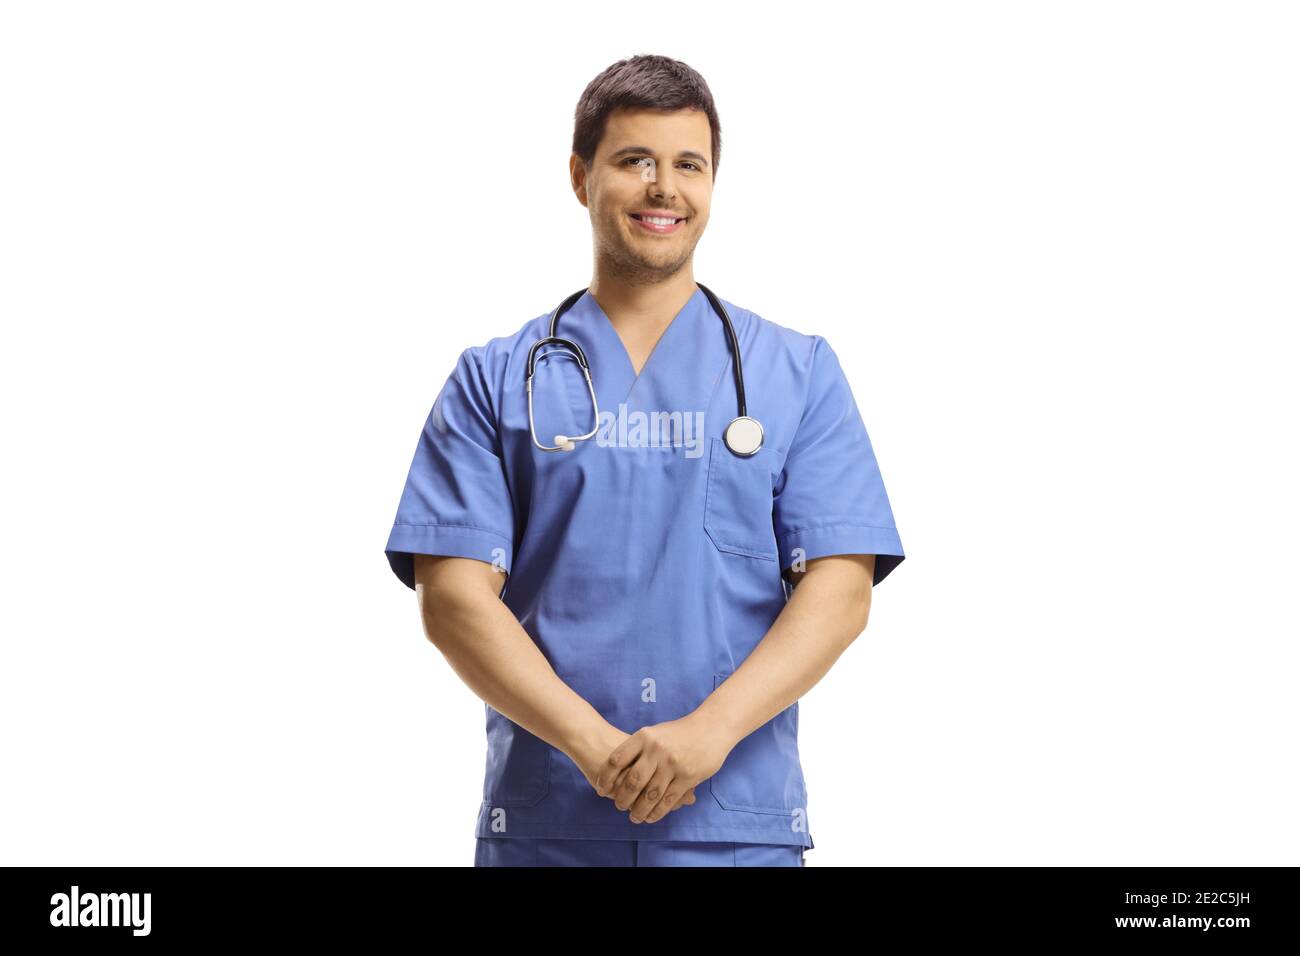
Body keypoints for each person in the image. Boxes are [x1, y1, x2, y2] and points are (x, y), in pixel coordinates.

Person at [384, 54, 906, 867]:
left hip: (731, 826)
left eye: (688, 165)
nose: (665, 187)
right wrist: (590, 746)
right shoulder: (495, 378)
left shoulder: (796, 373)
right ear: (580, 177)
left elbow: (841, 590)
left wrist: (710, 733)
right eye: (635, 161)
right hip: (550, 826)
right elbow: (452, 598)